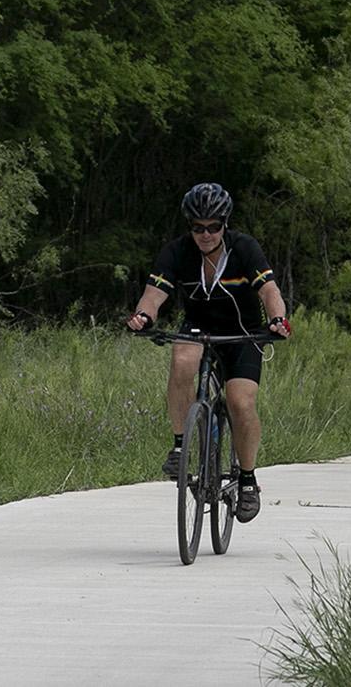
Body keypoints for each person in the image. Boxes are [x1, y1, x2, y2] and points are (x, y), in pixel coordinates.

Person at [125, 182, 291, 522]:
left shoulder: (243, 248)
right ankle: (180, 445)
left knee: (240, 401)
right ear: (190, 227)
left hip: (242, 333)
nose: (206, 234)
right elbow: (154, 294)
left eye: (213, 227)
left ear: (224, 224)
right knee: (182, 359)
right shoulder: (177, 252)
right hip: (199, 329)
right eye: (198, 228)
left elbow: (270, 290)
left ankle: (247, 480)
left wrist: (277, 319)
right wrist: (143, 316)